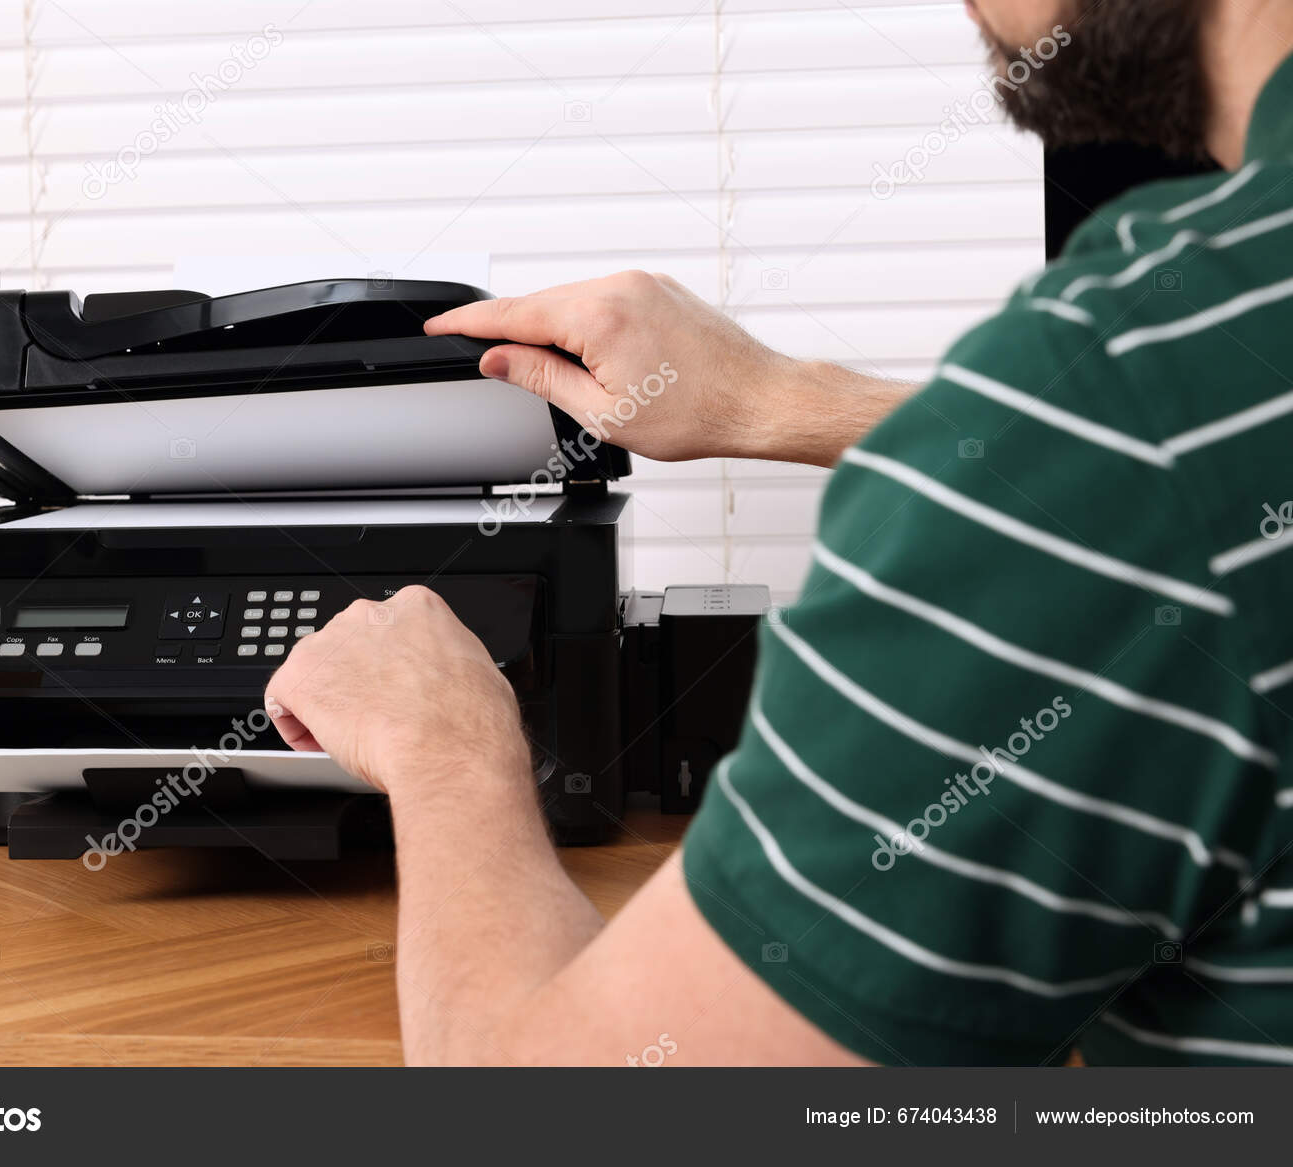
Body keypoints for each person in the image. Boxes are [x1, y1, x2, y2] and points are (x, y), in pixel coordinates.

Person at [265, 0, 1293, 1065]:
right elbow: (1181, 474)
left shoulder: (1130, 391)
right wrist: (774, 401)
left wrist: (444, 746)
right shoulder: (1182, 385)